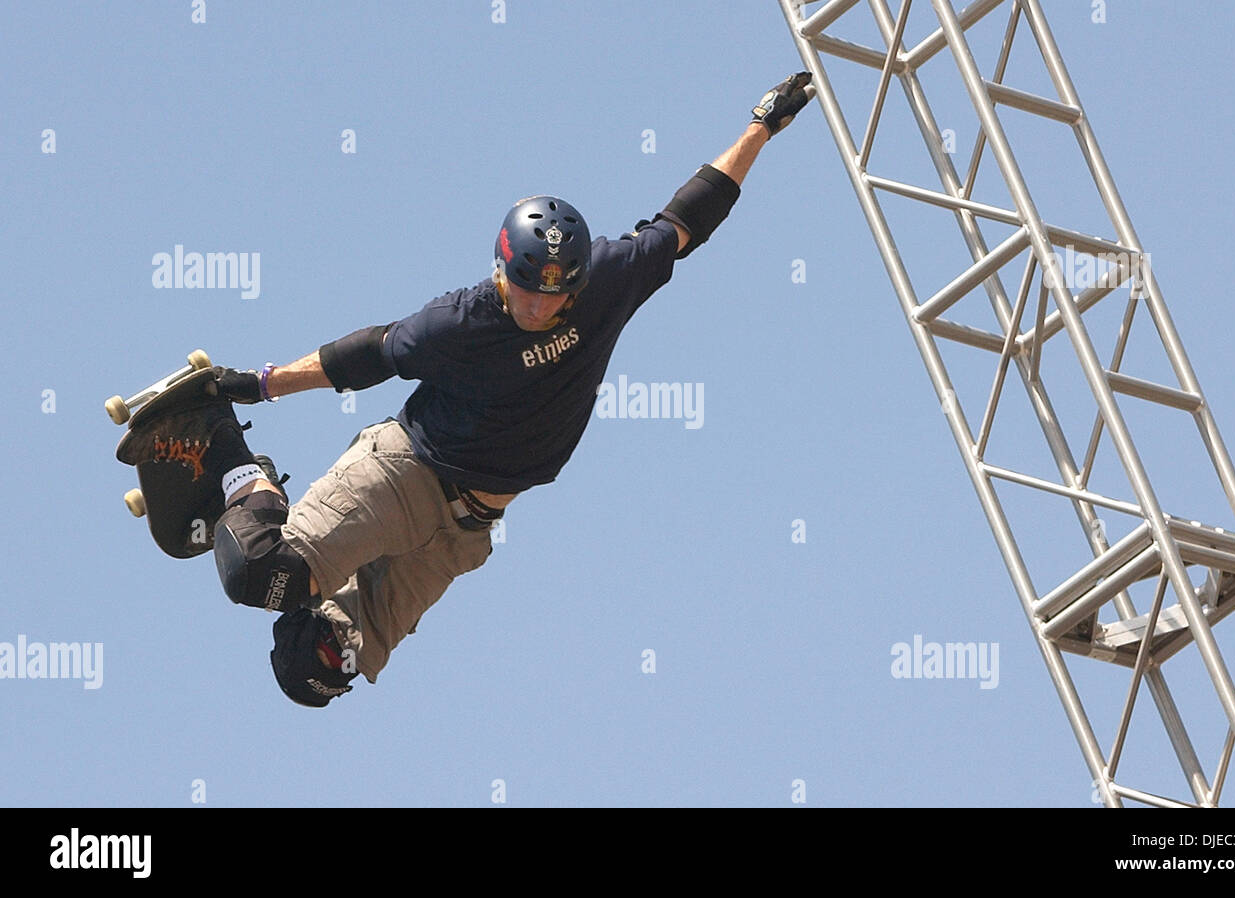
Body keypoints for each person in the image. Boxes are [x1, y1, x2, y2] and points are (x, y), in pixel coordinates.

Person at [201, 73, 815, 707]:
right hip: (407, 476)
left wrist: (762, 125)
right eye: (528, 287)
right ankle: (232, 462)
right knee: (261, 575)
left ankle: (265, 523)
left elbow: (688, 218)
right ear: (501, 269)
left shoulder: (605, 280)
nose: (541, 305)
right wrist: (259, 384)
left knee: (314, 672)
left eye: (558, 294)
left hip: (465, 531)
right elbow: (365, 357)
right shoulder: (459, 322)